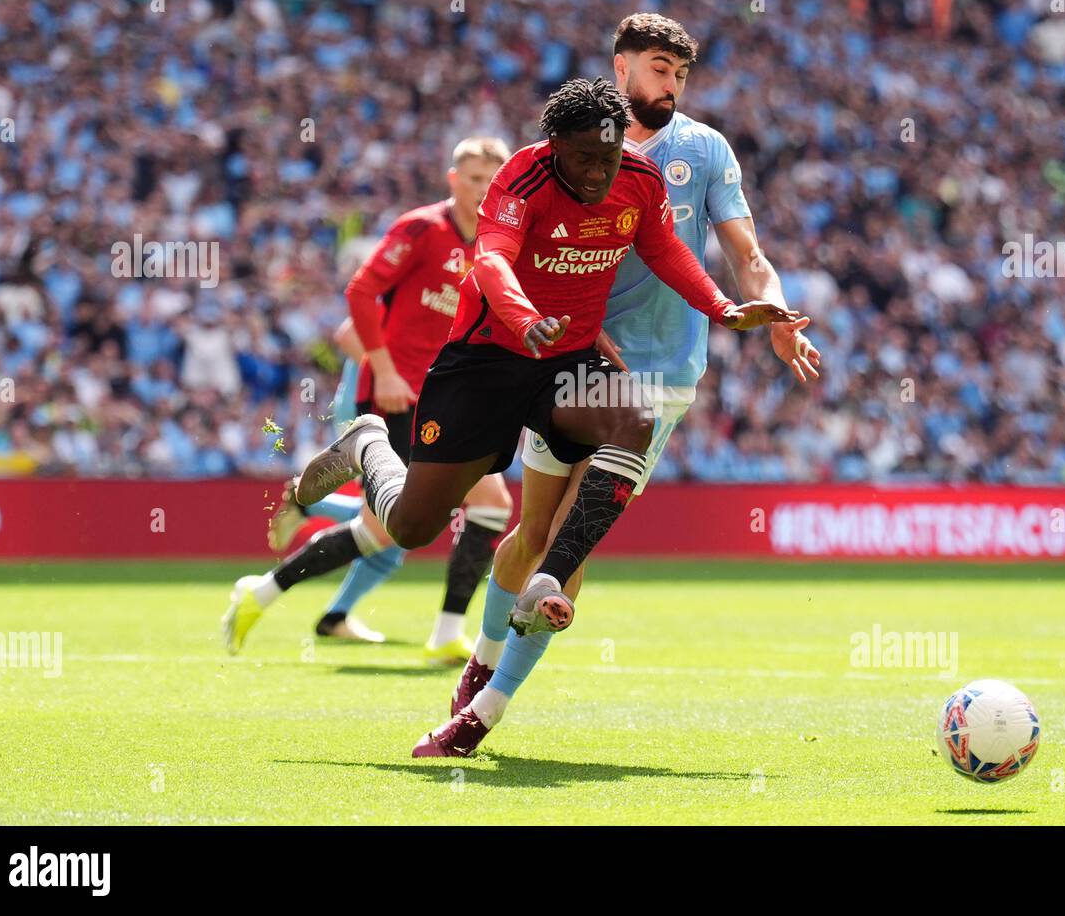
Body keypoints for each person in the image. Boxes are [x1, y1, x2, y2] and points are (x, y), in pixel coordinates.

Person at [285, 76, 801, 756]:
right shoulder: (521, 179)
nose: (597, 172)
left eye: (609, 158)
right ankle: (366, 445)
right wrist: (525, 319)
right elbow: (492, 259)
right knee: (410, 527)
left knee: (630, 417)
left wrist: (724, 308)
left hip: (567, 357)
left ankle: (551, 579)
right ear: (553, 144)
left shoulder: (640, 181)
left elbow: (665, 249)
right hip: (488, 359)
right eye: (584, 157)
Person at [427, 13, 822, 756]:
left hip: (661, 376)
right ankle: (478, 663)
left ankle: (485, 713)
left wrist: (770, 312)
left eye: (680, 74)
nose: (670, 84)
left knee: (568, 547)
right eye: (659, 69)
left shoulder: (704, 151)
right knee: (530, 534)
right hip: (570, 364)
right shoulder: (569, 148)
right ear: (621, 68)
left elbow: (746, 251)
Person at [222, 137, 515, 663]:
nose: (482, 190)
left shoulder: (496, 246)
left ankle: (441, 631)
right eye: (472, 179)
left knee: (474, 509)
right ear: (453, 180)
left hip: (449, 399)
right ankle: (269, 591)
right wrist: (381, 369)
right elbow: (359, 294)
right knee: (388, 531)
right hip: (397, 396)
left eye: (491, 181)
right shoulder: (421, 229)